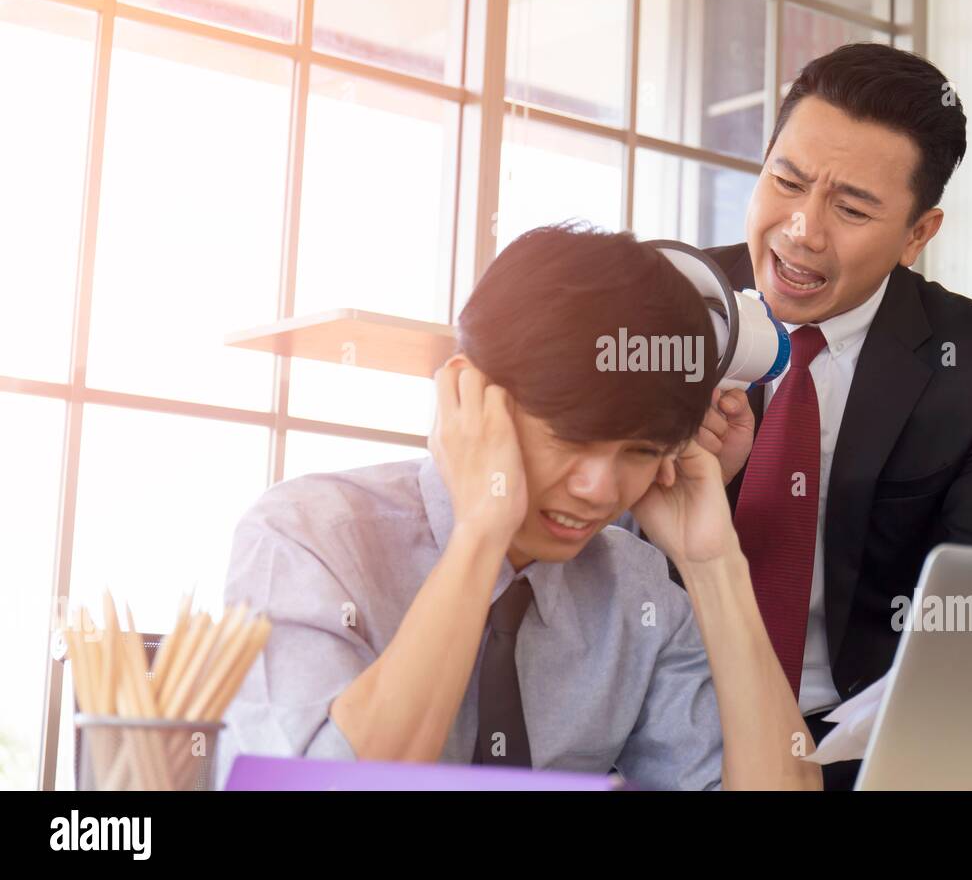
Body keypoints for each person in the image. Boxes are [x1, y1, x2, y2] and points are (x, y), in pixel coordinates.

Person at [215, 223, 821, 791]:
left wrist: (714, 567)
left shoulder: (635, 593)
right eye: (571, 439)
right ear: (467, 395)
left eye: (639, 451)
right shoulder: (305, 537)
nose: (599, 489)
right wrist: (481, 535)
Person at [694, 43, 972, 790]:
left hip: (862, 743)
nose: (802, 231)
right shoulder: (671, 306)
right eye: (785, 182)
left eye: (850, 209)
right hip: (671, 708)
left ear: (919, 234)